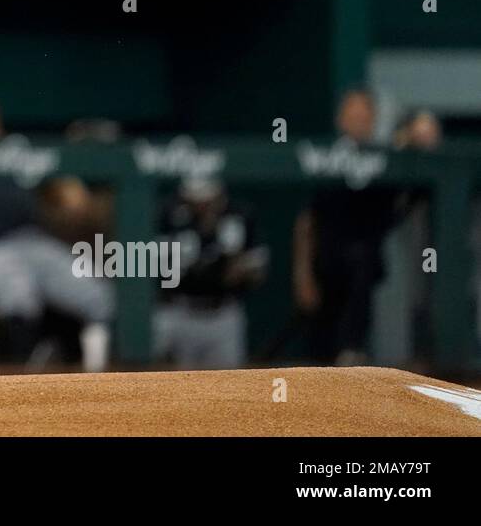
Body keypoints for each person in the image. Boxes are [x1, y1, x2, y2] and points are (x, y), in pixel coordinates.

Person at [0, 92, 113, 372]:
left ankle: (99, 372)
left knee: (94, 294)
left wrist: (70, 191)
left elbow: (64, 191)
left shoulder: (15, 151)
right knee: (16, 294)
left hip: (33, 241)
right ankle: (21, 374)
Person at [292, 87, 404, 366]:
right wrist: (303, 275)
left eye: (364, 117)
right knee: (318, 353)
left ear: (374, 121)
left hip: (362, 272)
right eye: (352, 116)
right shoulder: (324, 161)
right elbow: (307, 222)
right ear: (340, 120)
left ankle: (351, 352)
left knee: (351, 349)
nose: (358, 122)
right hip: (325, 268)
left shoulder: (388, 162)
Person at [153, 177, 268, 369]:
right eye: (195, 201)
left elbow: (258, 268)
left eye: (206, 201)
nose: (201, 206)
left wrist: (238, 268)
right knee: (175, 384)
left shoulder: (239, 216)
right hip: (182, 310)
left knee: (228, 384)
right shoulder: (172, 216)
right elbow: (156, 266)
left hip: (222, 312)